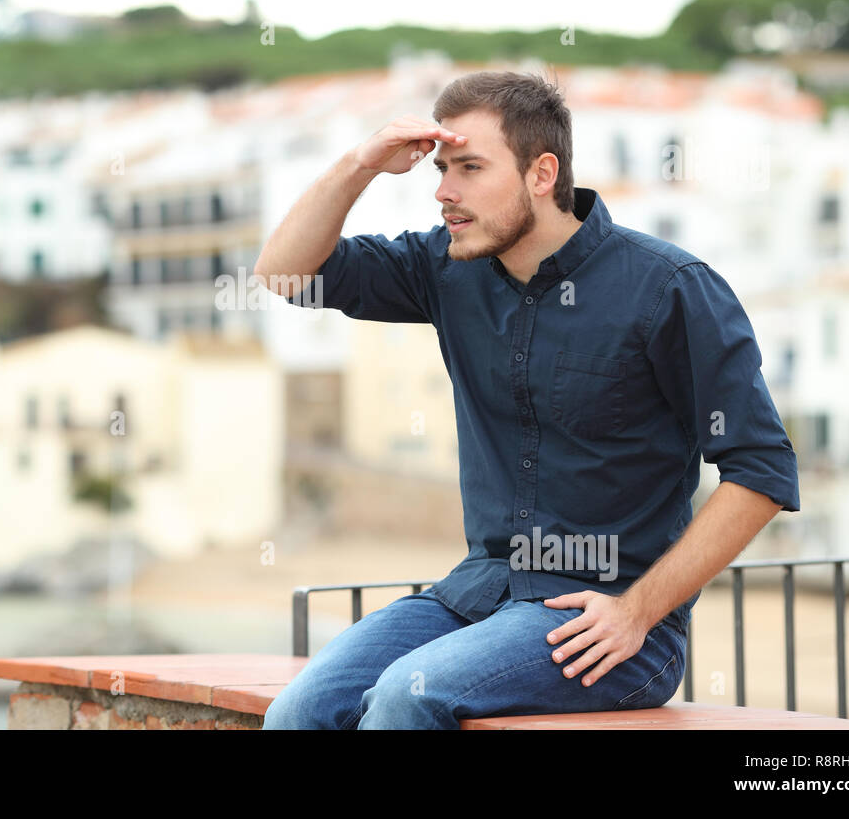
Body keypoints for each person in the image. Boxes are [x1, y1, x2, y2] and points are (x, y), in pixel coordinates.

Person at [254, 69, 800, 729]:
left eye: (470, 168)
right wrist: (361, 161)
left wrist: (639, 609)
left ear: (542, 174)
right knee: (300, 711)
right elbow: (286, 273)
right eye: (442, 168)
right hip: (478, 593)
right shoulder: (446, 270)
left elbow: (762, 471)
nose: (443, 192)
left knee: (408, 698)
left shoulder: (670, 288)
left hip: (606, 620)